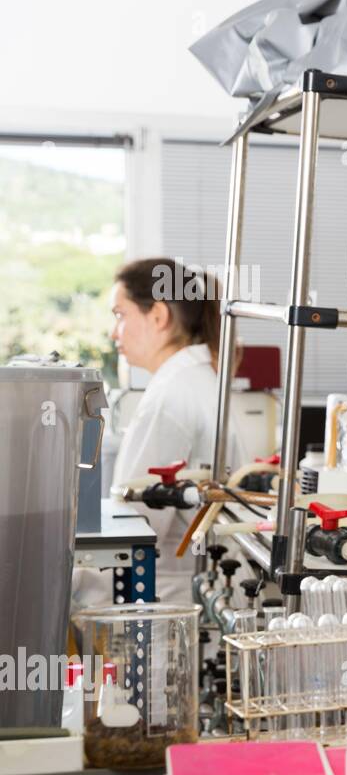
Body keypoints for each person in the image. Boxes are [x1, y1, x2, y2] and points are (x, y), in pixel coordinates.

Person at [105, 258, 242, 602]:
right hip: (192, 590)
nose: (113, 332)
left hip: (170, 598)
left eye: (120, 315)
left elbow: (136, 523)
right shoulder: (192, 381)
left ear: (158, 315)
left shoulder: (173, 395)